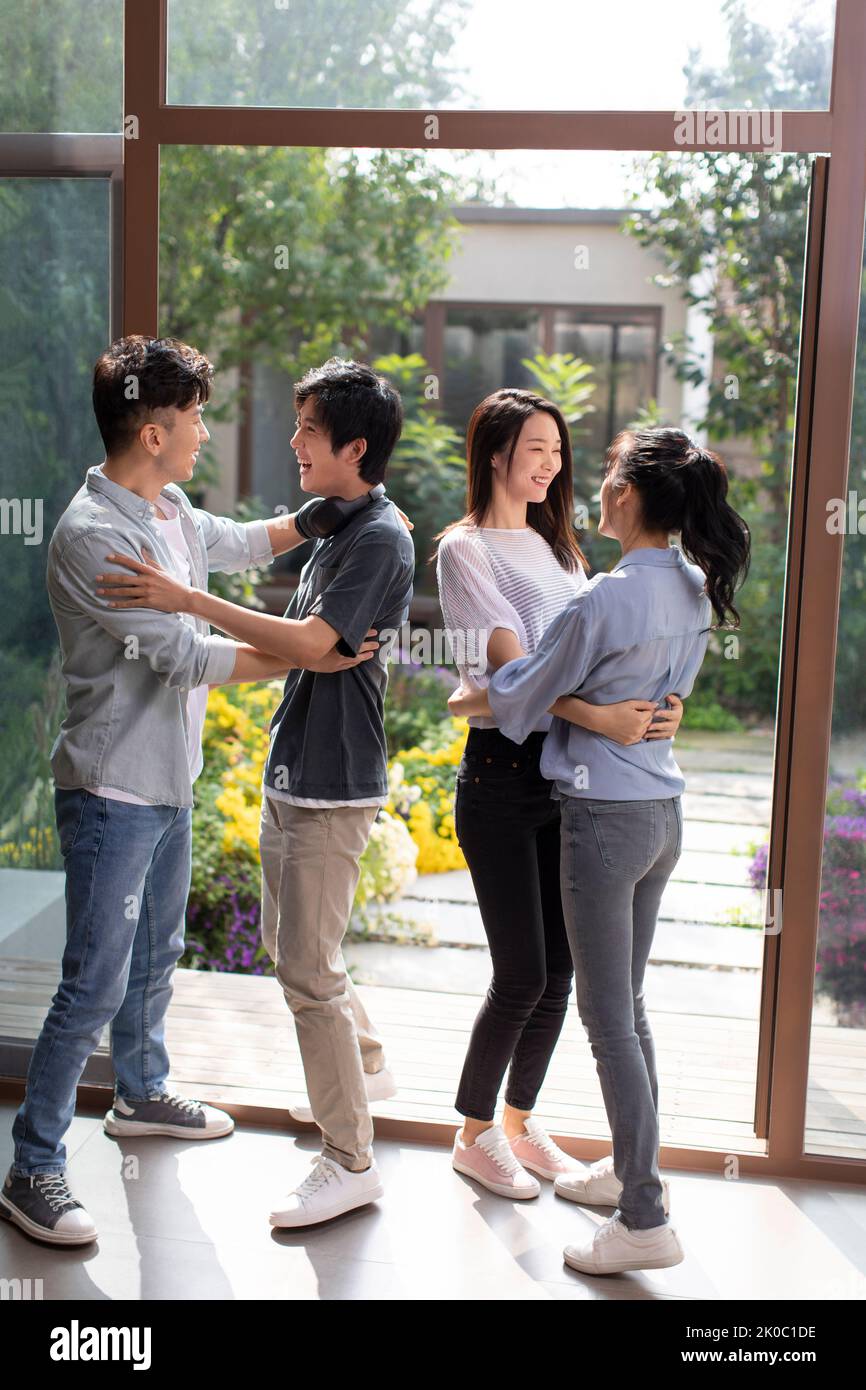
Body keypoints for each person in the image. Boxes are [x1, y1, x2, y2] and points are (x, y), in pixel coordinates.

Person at [1, 336, 385, 1248]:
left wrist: (321, 514)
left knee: (155, 952)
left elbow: (239, 542)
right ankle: (33, 1167)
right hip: (111, 790)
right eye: (196, 418)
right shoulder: (97, 537)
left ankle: (139, 1094)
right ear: (152, 427)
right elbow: (185, 657)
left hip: (169, 780)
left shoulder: (165, 504)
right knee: (92, 982)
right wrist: (309, 655)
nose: (207, 432)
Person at [93, 358, 416, 1229]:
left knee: (308, 974)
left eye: (308, 429)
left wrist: (186, 598)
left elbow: (315, 642)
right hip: (295, 770)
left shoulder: (379, 537)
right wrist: (301, 636)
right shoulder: (337, 523)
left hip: (330, 784)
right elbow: (303, 635)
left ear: (355, 446)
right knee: (293, 947)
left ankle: (350, 1160)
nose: (292, 439)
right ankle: (369, 1062)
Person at [448, 426, 750, 1274]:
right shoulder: (693, 585)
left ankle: (645, 1215)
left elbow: (520, 693)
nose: (599, 487)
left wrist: (472, 695)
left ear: (633, 497)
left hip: (602, 819)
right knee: (630, 1008)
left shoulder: (602, 598)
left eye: (611, 476)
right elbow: (659, 698)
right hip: (662, 813)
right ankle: (630, 1171)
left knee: (607, 1020)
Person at [435, 390, 684, 1202]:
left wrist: (641, 707)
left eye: (557, 450)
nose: (550, 464)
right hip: (502, 781)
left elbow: (581, 665)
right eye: (535, 448)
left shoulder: (564, 551)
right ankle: (472, 1132)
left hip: (570, 779)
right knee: (521, 972)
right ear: (495, 452)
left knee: (566, 968)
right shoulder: (466, 551)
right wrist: (599, 713)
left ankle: (518, 1117)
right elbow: (515, 680)